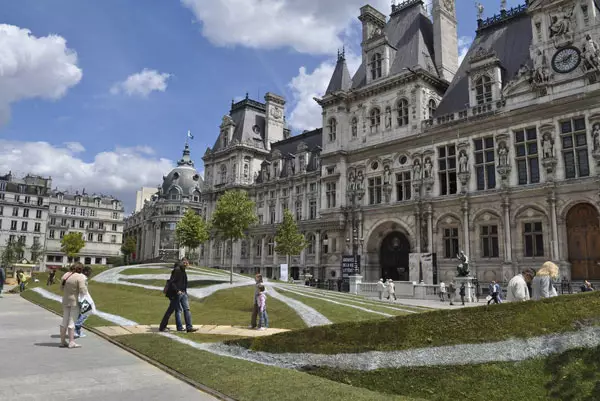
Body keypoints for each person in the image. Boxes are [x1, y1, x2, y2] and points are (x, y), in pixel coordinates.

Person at [158, 258, 198, 333]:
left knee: (187, 309)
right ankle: (162, 326)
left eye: (187, 263)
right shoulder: (177, 270)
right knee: (171, 310)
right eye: (185, 263)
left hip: (183, 293)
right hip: (176, 294)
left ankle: (189, 327)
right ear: (182, 263)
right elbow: (172, 282)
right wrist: (177, 291)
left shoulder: (183, 270)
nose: (186, 264)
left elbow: (184, 282)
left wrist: (185, 291)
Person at [60, 263, 88, 348]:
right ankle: (71, 342)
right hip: (74, 301)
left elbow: (61, 288)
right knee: (72, 322)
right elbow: (83, 291)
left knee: (64, 321)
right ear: (80, 269)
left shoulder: (65, 275)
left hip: (65, 300)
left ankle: (62, 341)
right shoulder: (80, 277)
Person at [74, 266, 96, 339]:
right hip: (82, 298)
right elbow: (83, 289)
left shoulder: (79, 277)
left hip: (80, 297)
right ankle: (76, 328)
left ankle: (78, 331)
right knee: (86, 313)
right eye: (90, 272)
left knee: (82, 313)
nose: (90, 274)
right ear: (86, 272)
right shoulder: (83, 278)